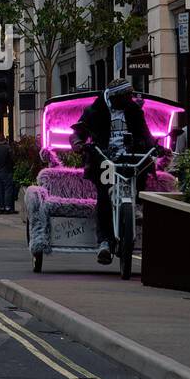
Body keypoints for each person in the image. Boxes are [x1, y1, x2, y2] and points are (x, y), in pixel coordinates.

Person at [71, 80, 156, 263]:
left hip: (131, 158)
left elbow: (145, 133)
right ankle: (104, 242)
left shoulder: (133, 110)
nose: (130, 99)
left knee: (142, 174)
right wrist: (78, 143)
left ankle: (136, 207)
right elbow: (78, 132)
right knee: (104, 197)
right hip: (103, 160)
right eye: (127, 96)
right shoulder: (94, 111)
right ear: (115, 97)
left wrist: (155, 147)